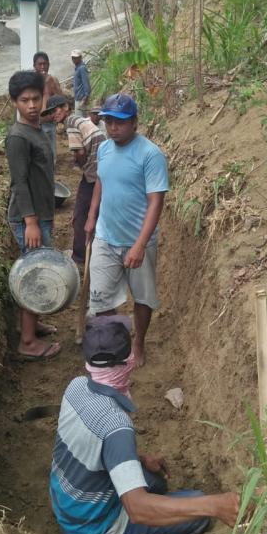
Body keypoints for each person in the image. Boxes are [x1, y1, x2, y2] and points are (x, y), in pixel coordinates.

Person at [49, 314, 240, 534]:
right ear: (127, 361)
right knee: (199, 511)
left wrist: (138, 460)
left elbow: (89, 444)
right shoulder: (116, 425)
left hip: (67, 503)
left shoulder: (76, 386)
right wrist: (215, 505)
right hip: (93, 528)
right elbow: (138, 509)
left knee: (154, 481)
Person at [85, 93, 168, 368]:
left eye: (120, 122)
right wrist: (91, 215)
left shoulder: (150, 155)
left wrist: (140, 244)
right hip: (106, 237)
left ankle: (139, 342)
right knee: (100, 298)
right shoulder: (104, 149)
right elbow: (100, 182)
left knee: (143, 297)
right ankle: (114, 343)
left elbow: (156, 201)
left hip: (137, 239)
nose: (113, 128)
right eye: (109, 121)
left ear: (134, 122)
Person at [5, 70, 61, 362]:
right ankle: (27, 342)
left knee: (37, 269)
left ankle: (33, 323)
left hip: (40, 215)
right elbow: (20, 182)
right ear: (14, 102)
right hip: (30, 218)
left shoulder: (36, 128)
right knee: (35, 276)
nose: (31, 105)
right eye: (24, 100)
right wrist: (30, 222)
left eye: (36, 98)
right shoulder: (18, 137)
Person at [40, 95, 105, 264]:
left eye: (56, 110)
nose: (54, 114)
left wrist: (81, 166)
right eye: (51, 112)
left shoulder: (70, 123)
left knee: (81, 215)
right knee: (96, 210)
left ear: (66, 107)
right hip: (103, 167)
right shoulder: (79, 119)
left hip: (94, 172)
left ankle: (79, 256)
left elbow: (81, 153)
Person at [33, 51, 64, 163]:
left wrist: (57, 115)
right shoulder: (32, 82)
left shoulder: (52, 81)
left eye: (45, 64)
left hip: (48, 122)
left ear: (49, 65)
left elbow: (61, 99)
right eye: (39, 64)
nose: (42, 67)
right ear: (34, 66)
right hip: (34, 122)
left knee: (50, 152)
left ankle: (50, 170)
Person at [70, 49, 91, 117]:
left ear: (80, 57)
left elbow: (86, 83)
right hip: (78, 97)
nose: (74, 59)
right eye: (73, 58)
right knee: (82, 118)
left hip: (81, 99)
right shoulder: (77, 68)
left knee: (80, 119)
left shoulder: (81, 68)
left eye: (76, 58)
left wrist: (85, 98)